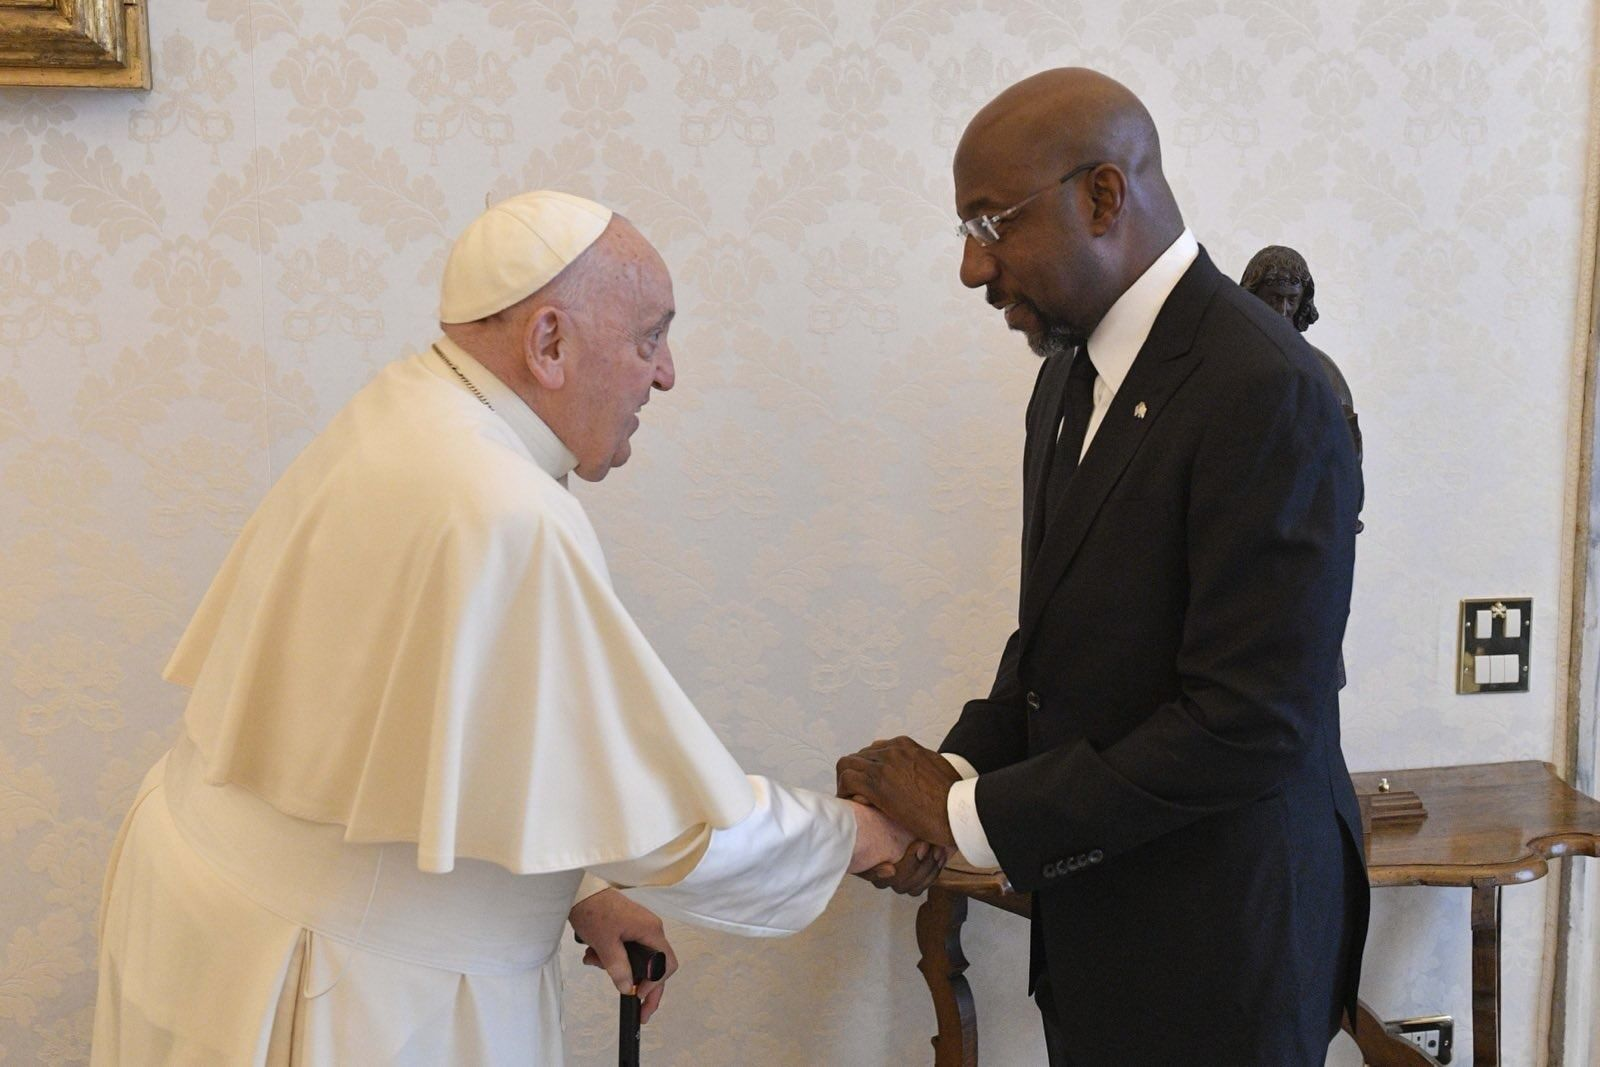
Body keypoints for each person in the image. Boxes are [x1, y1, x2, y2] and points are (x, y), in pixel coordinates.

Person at [92, 190, 915, 1066]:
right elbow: (667, 817)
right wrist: (862, 834)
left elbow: (440, 727)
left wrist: (576, 885)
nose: (667, 374)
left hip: (221, 908)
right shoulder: (501, 505)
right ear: (549, 342)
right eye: (649, 338)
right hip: (355, 980)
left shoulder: (409, 405)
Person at [838, 69, 1368, 1065]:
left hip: (1223, 956)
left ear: (1103, 196)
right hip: (1097, 930)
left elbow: (1249, 719)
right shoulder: (1061, 383)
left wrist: (961, 814)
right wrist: (946, 774)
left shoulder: (1266, 389)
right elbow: (1056, 645)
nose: (968, 267)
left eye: (990, 223)